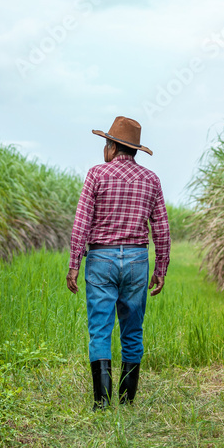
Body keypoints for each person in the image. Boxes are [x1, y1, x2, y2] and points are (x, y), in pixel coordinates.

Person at [66, 116, 170, 410]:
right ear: (134, 150)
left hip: (101, 259)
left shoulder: (96, 175)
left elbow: (81, 222)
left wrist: (74, 263)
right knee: (132, 331)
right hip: (137, 260)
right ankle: (126, 402)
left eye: (106, 144)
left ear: (112, 146)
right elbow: (161, 228)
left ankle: (101, 403)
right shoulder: (151, 180)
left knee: (100, 330)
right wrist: (161, 268)